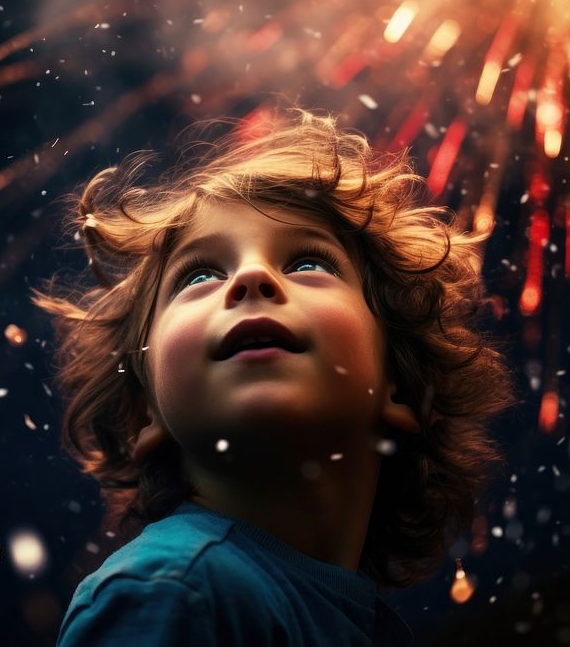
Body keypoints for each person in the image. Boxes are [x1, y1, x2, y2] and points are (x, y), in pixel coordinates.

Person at [34, 108, 514, 646]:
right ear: (146, 410)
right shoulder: (173, 591)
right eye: (200, 274)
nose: (251, 276)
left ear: (400, 384)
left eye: (309, 264)